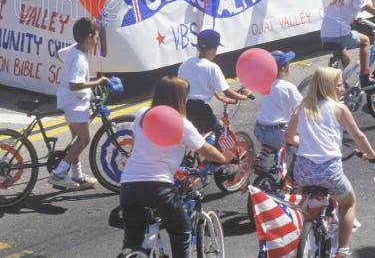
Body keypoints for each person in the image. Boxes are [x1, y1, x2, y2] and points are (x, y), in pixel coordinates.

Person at [120, 76, 231, 257]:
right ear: (180, 98)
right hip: (159, 185)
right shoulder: (182, 124)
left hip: (129, 183)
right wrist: (225, 160)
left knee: (132, 240)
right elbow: (206, 150)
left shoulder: (142, 114)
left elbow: (135, 144)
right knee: (181, 231)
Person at [285, 67, 375, 258]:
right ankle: (342, 250)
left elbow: (289, 137)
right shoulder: (339, 109)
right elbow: (359, 136)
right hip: (329, 172)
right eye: (339, 85)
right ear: (329, 87)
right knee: (348, 203)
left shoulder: (302, 106)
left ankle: (303, 237)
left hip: (303, 172)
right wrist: (372, 154)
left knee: (303, 207)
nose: (343, 88)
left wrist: (305, 143)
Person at [48, 17, 108, 190]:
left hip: (67, 99)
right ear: (89, 37)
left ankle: (77, 175)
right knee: (83, 139)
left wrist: (69, 66)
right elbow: (74, 84)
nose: (97, 40)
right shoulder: (80, 60)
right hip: (75, 101)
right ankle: (59, 174)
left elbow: (57, 54)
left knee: (75, 140)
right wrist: (97, 82)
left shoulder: (74, 50)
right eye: (97, 36)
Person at [320, 0, 375, 90]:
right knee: (365, 41)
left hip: (325, 35)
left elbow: (337, 11)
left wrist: (351, 20)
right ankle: (365, 78)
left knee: (346, 59)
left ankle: (331, 81)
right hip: (339, 34)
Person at [178, 29, 250, 135]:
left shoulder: (186, 64)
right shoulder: (212, 67)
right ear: (213, 49)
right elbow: (227, 92)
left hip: (184, 107)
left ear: (198, 47)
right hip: (200, 109)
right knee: (221, 129)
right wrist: (243, 97)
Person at [254, 50, 302, 167]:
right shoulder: (289, 88)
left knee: (271, 139)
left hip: (259, 130)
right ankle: (282, 164)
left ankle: (263, 155)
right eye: (288, 65)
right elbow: (302, 107)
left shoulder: (264, 84)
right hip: (278, 134)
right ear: (283, 69)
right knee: (300, 141)